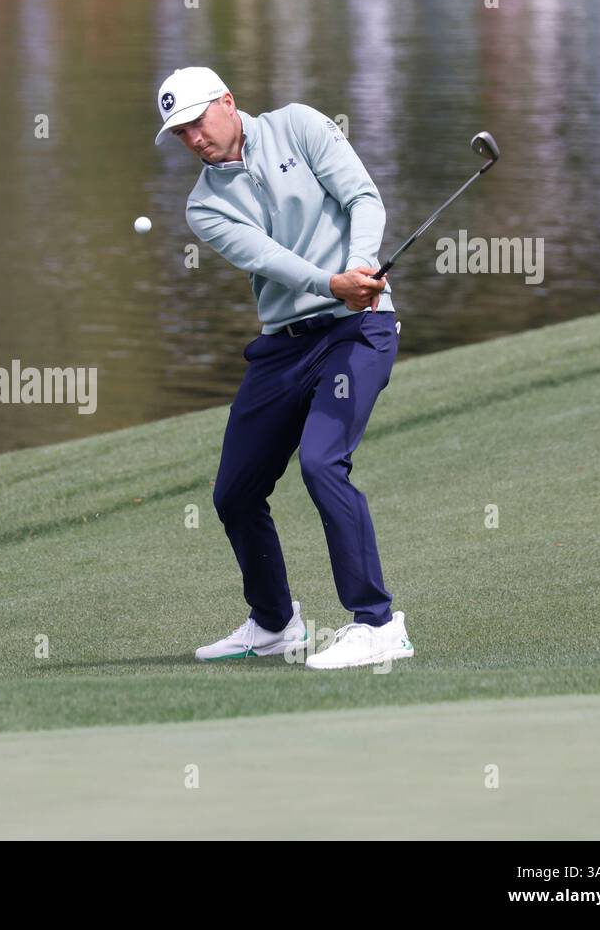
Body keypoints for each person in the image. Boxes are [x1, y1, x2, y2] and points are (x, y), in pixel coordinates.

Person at [154, 66, 414, 670]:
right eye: (178, 133)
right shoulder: (204, 206)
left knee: (323, 463)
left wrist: (359, 269)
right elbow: (267, 258)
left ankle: (377, 624)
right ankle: (275, 624)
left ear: (227, 103)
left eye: (196, 122)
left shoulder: (297, 126)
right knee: (235, 492)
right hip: (284, 344)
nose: (191, 139)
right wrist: (331, 282)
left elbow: (362, 198)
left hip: (359, 329)